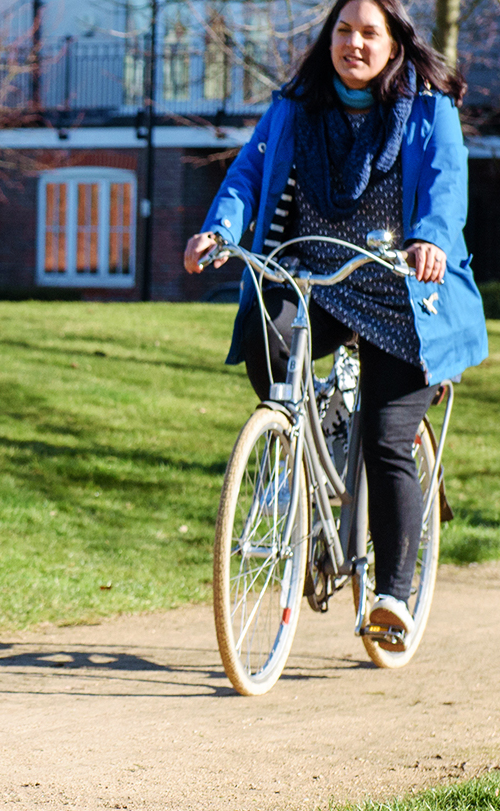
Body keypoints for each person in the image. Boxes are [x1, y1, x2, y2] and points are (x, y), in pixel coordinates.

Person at [186, 0, 482, 648]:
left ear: (394, 41)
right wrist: (219, 229)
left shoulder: (429, 110)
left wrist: (429, 238)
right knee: (266, 325)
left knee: (384, 436)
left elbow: (445, 188)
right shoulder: (297, 105)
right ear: (329, 39)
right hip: (314, 280)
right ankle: (298, 438)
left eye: (368, 32)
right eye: (343, 30)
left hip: (403, 298)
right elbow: (248, 173)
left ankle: (391, 596)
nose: (354, 42)